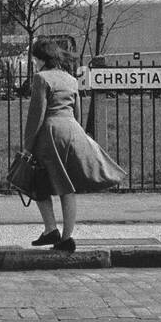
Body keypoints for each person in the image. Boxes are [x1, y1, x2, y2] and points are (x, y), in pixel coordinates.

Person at [21, 38, 128, 252]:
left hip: (50, 133)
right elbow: (77, 113)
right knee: (66, 187)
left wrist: (27, 146)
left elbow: (37, 116)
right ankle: (66, 237)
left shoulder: (41, 78)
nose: (33, 62)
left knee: (37, 181)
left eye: (34, 59)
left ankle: (51, 228)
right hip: (72, 131)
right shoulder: (70, 79)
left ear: (41, 59)